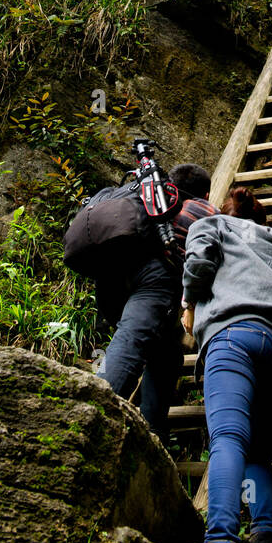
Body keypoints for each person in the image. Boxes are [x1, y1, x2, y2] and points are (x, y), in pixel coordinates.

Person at [181, 185, 272, 543]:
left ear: (227, 211)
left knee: (228, 440)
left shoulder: (212, 224)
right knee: (258, 454)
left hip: (234, 336)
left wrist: (189, 304)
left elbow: (200, 263)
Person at [90, 162, 218, 444]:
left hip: (112, 277)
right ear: (206, 194)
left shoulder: (148, 200)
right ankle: (90, 417)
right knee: (133, 342)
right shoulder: (202, 210)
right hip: (153, 278)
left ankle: (153, 436)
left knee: (165, 355)